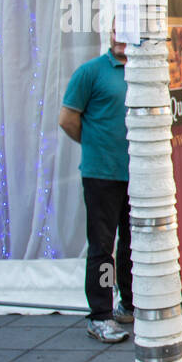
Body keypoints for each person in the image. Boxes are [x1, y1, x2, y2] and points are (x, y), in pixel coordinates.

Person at [59, 30, 134, 343]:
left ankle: (128, 305)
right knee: (102, 247)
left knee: (132, 245)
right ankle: (100, 316)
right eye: (117, 30)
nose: (121, 37)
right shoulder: (90, 73)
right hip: (101, 175)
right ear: (111, 33)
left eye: (128, 31)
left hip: (137, 175)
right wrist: (93, 145)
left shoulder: (143, 72)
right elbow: (67, 118)